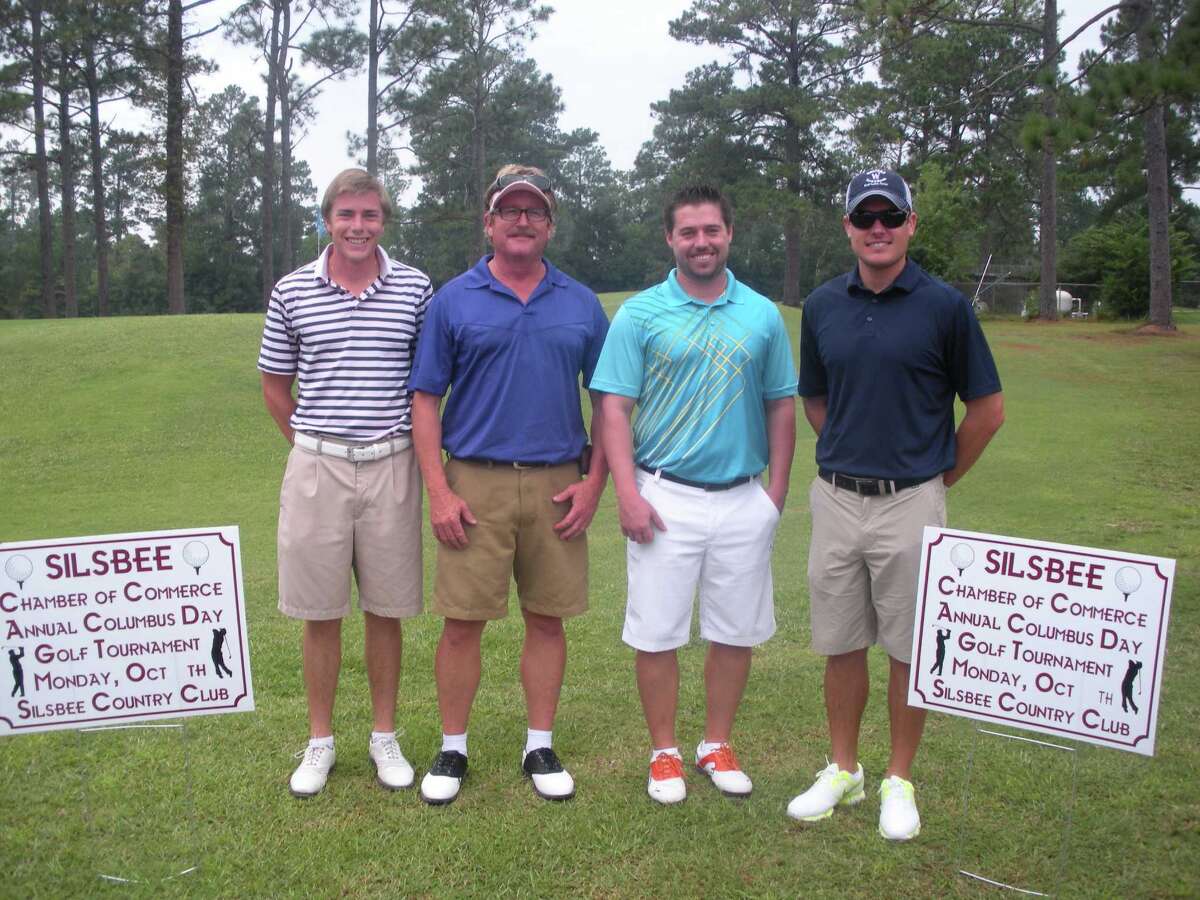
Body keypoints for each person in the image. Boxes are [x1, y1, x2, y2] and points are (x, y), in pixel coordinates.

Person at [788, 169, 1004, 840]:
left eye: (890, 216)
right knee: (841, 642)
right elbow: (816, 398)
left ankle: (899, 779)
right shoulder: (824, 305)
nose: (877, 228)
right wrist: (852, 452)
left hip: (912, 502)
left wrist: (935, 481)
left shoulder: (945, 307)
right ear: (848, 227)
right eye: (865, 217)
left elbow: (987, 410)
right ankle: (843, 769)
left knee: (909, 648)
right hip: (836, 499)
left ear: (911, 223)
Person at [409, 164, 609, 805]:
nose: (523, 221)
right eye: (510, 211)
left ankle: (539, 744)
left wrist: (594, 484)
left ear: (550, 224)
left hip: (558, 482)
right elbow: (424, 399)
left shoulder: (580, 303)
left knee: (547, 620)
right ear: (489, 222)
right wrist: (439, 491)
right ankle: (453, 747)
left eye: (535, 211)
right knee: (462, 624)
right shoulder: (453, 300)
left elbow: (607, 400)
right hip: (475, 481)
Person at [591, 183, 796, 805]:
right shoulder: (640, 314)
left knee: (734, 632)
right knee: (656, 633)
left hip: (742, 497)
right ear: (670, 238)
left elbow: (780, 405)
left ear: (729, 233)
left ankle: (716, 744)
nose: (701, 242)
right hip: (664, 496)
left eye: (711, 230)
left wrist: (775, 495)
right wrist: (627, 494)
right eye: (688, 232)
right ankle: (664, 753)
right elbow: (614, 409)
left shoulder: (761, 314)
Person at [258, 168, 432, 798]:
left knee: (386, 609)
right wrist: (313, 448)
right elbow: (275, 385)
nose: (358, 227)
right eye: (347, 215)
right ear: (327, 219)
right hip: (317, 466)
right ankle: (321, 741)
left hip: (392, 464)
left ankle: (384, 736)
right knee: (319, 611)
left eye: (370, 215)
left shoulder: (415, 288)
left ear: (383, 220)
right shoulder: (291, 290)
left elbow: (425, 383)